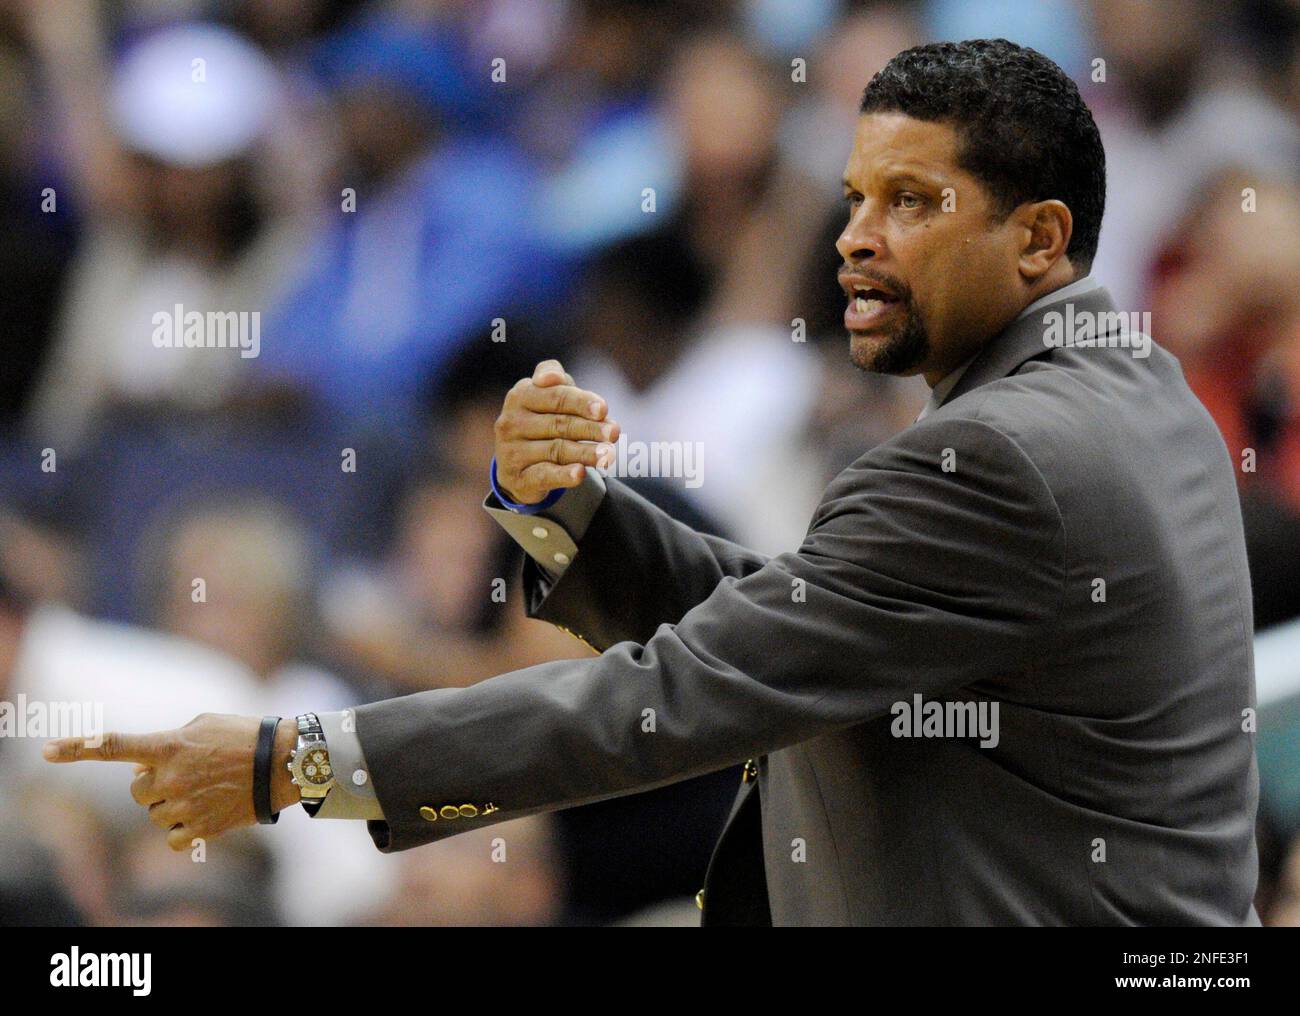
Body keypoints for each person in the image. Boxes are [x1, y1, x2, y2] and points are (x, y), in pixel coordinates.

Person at [46, 40, 1260, 926]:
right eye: (852, 200)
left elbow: (687, 692)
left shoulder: (998, 459)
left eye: (911, 202)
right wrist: (574, 515)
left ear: (1039, 239)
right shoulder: (1138, 393)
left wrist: (289, 761)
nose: (853, 238)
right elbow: (806, 625)